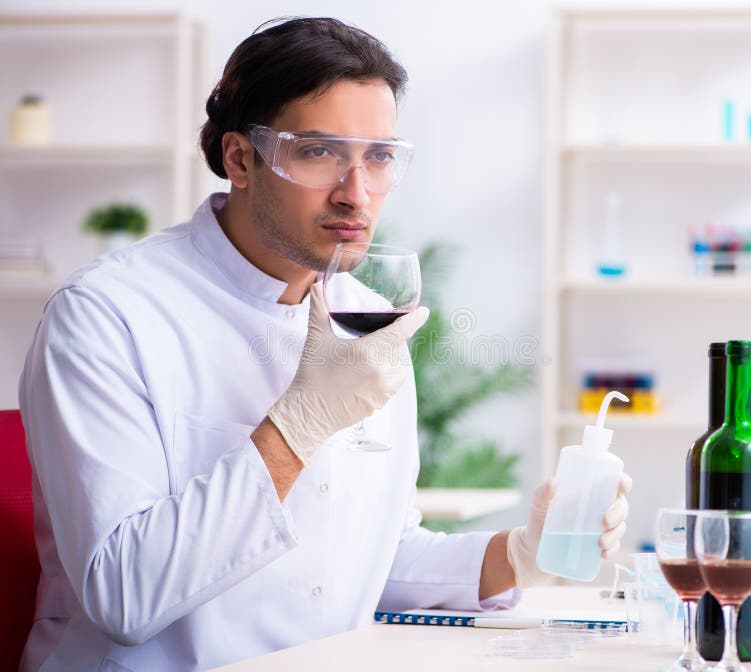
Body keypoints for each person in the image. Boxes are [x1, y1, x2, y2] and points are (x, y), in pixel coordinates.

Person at [18, 17, 631, 672]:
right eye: (319, 153)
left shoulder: (368, 318)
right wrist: (298, 426)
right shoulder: (107, 317)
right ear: (240, 158)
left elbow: (374, 560)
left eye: (380, 156)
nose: (357, 192)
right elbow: (122, 597)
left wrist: (520, 555)